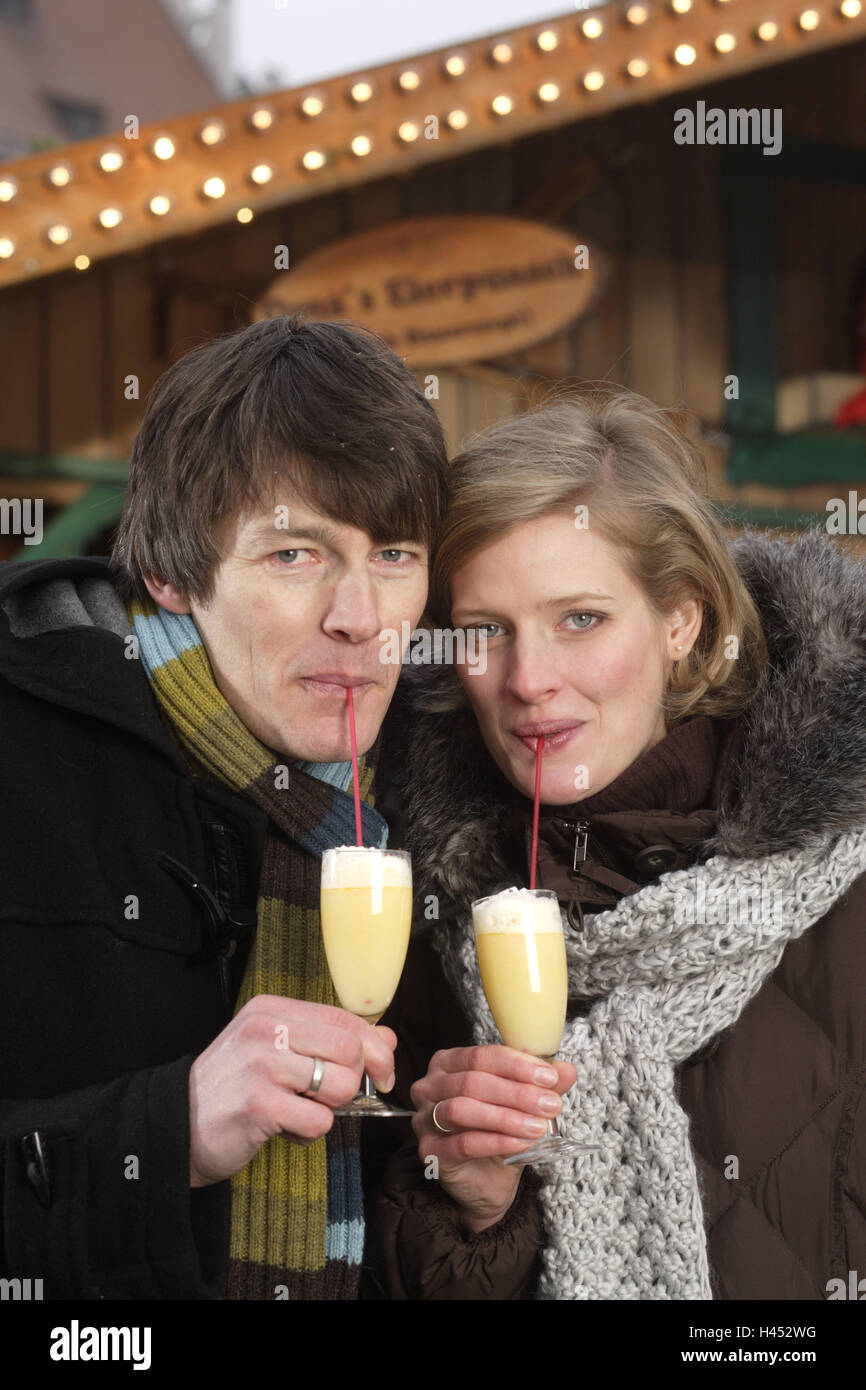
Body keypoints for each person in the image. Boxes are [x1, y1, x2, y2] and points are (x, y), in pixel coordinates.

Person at [366, 385, 866, 1300]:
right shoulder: (424, 920)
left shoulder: (850, 891)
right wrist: (475, 1211)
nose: (529, 680)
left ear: (684, 622)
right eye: (486, 631)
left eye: (580, 619)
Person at [0, 313, 458, 1300]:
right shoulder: (23, 760)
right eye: (295, 555)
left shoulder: (434, 789)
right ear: (169, 571)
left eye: (392, 553)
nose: (360, 618)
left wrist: (478, 1193)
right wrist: (165, 1135)